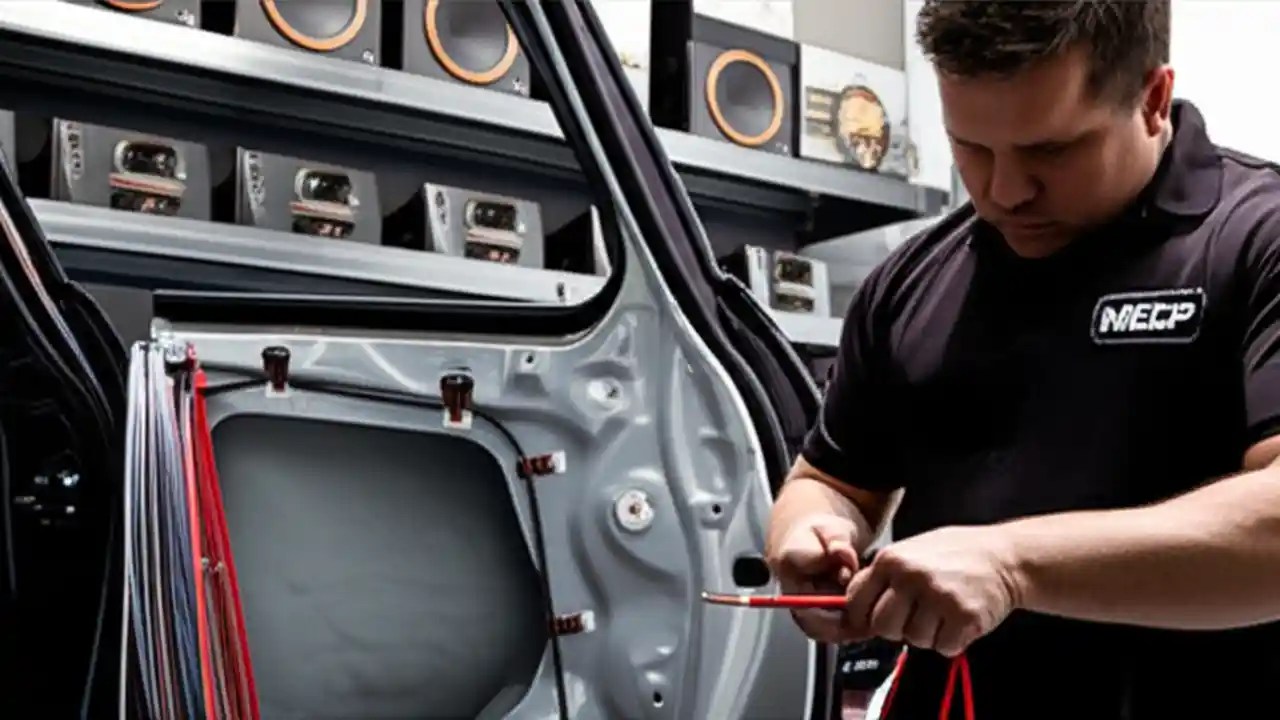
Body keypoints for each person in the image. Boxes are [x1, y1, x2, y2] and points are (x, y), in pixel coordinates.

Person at [764, 2, 1280, 718]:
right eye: (970, 147)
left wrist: (1012, 565)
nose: (1004, 191)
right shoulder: (911, 280)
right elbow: (830, 479)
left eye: (1051, 151)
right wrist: (812, 532)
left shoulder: (1257, 240)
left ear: (1154, 100)